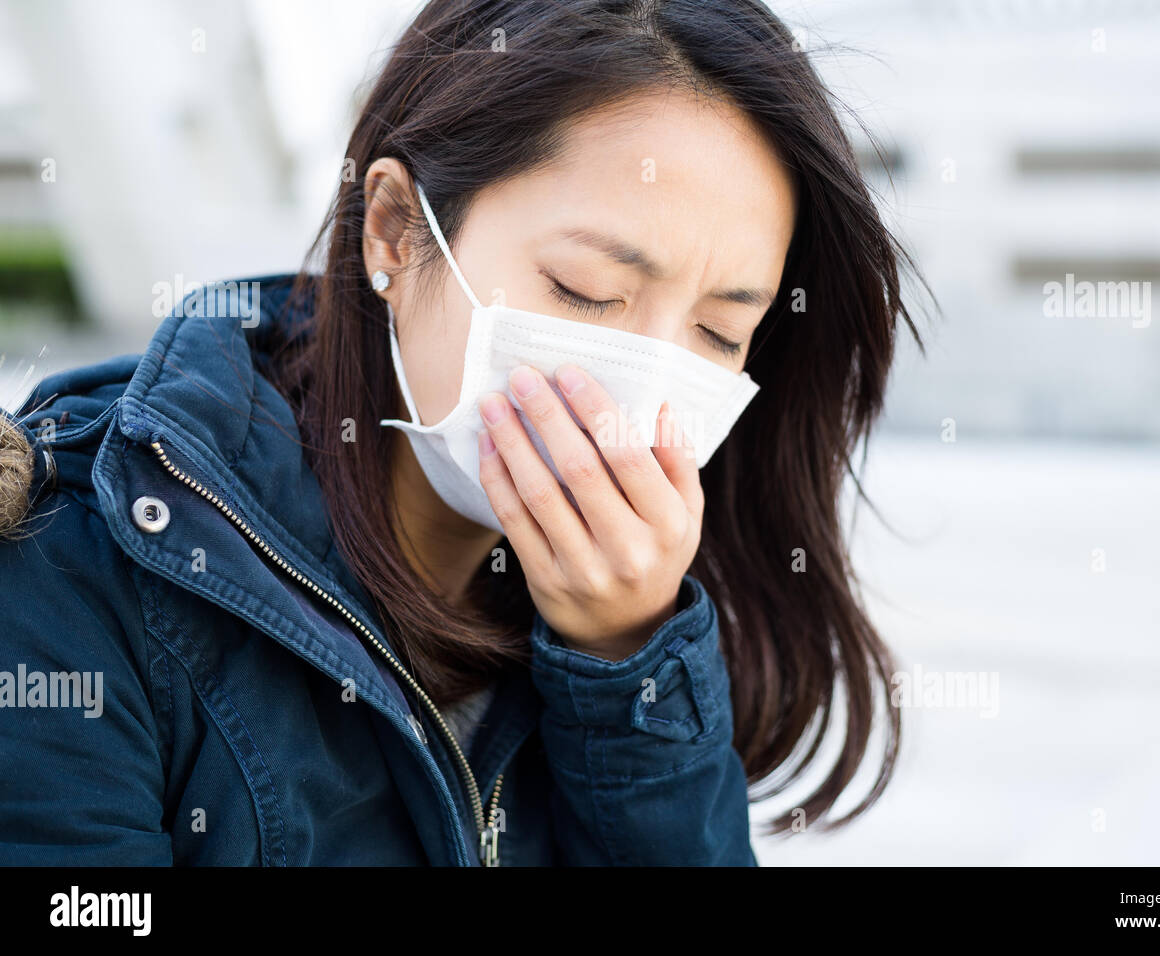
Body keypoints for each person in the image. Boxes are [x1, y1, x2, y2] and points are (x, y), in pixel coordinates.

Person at [0, 0, 918, 865]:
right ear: (396, 232)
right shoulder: (73, 573)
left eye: (720, 333)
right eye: (588, 291)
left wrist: (625, 665)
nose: (639, 388)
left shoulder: (656, 622)